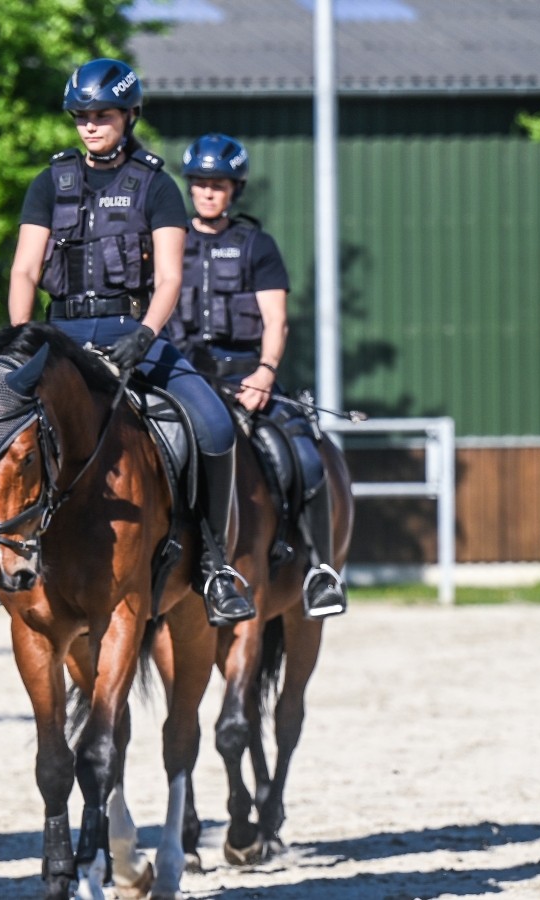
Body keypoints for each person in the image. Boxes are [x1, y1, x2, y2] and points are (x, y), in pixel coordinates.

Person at [0, 57, 254, 627]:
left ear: (129, 115)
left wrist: (146, 335)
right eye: (81, 117)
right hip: (55, 338)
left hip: (130, 335)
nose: (91, 126)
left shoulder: (157, 186)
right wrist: (21, 342)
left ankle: (214, 564)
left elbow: (170, 278)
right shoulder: (49, 183)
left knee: (214, 426)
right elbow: (24, 271)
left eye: (102, 115)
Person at [170, 133, 346, 617]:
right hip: (181, 373)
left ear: (235, 190)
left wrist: (266, 373)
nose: (207, 192)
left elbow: (276, 320)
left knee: (304, 458)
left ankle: (320, 572)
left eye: (218, 185)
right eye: (200, 184)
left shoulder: (256, 246)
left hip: (245, 374)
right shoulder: (168, 241)